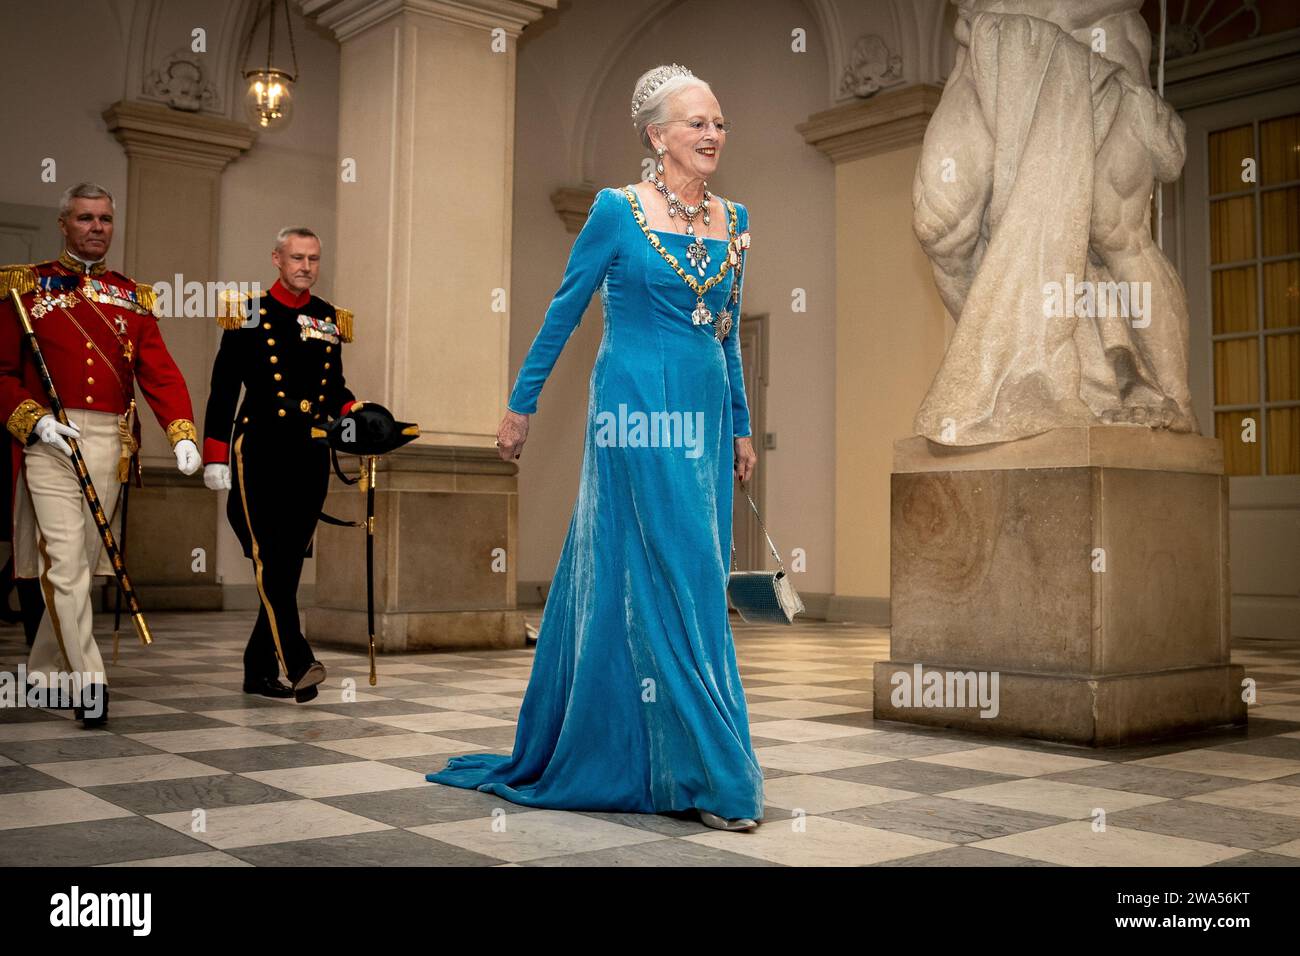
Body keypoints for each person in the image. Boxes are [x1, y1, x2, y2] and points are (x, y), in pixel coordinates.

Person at [427, 64, 763, 831]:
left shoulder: (735, 219)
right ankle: (715, 777)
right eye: (696, 124)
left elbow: (728, 331)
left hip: (705, 412)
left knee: (694, 574)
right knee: (673, 567)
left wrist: (740, 424)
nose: (712, 135)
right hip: (635, 405)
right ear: (657, 137)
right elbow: (564, 310)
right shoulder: (618, 211)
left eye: (719, 123)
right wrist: (521, 406)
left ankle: (672, 764)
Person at [0, 182, 200, 726]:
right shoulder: (25, 287)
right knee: (64, 562)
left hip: (111, 441)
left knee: (82, 569)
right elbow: (2, 372)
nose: (96, 227)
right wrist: (34, 419)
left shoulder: (132, 295)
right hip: (49, 440)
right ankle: (91, 683)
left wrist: (181, 432)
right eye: (85, 218)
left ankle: (41, 675)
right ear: (63, 223)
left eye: (105, 219)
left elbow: (159, 372)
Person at [201, 226, 356, 703]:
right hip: (261, 451)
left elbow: (335, 389)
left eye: (313, 258)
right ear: (276, 258)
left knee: (285, 565)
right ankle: (298, 659)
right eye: (296, 257)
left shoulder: (328, 317)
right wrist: (214, 455)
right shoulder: (248, 313)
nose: (305, 266)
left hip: (309, 453)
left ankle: (257, 669)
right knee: (270, 557)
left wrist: (357, 414)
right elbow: (224, 388)